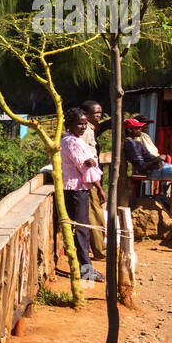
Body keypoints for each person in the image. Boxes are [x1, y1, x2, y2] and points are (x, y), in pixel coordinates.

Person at [61, 109, 105, 283]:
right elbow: (86, 168)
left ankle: (86, 268)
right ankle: (86, 271)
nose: (83, 126)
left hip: (79, 189)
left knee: (82, 230)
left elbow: (91, 164)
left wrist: (93, 164)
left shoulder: (76, 140)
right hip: (76, 190)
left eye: (85, 123)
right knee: (81, 231)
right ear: (70, 125)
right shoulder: (71, 142)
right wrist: (100, 188)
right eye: (80, 123)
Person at [79, 100, 110, 259]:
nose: (98, 116)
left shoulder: (90, 129)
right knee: (95, 214)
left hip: (90, 179)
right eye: (95, 113)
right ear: (86, 114)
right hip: (89, 180)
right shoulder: (85, 132)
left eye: (100, 113)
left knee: (93, 213)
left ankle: (98, 249)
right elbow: (87, 161)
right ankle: (100, 251)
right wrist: (98, 186)